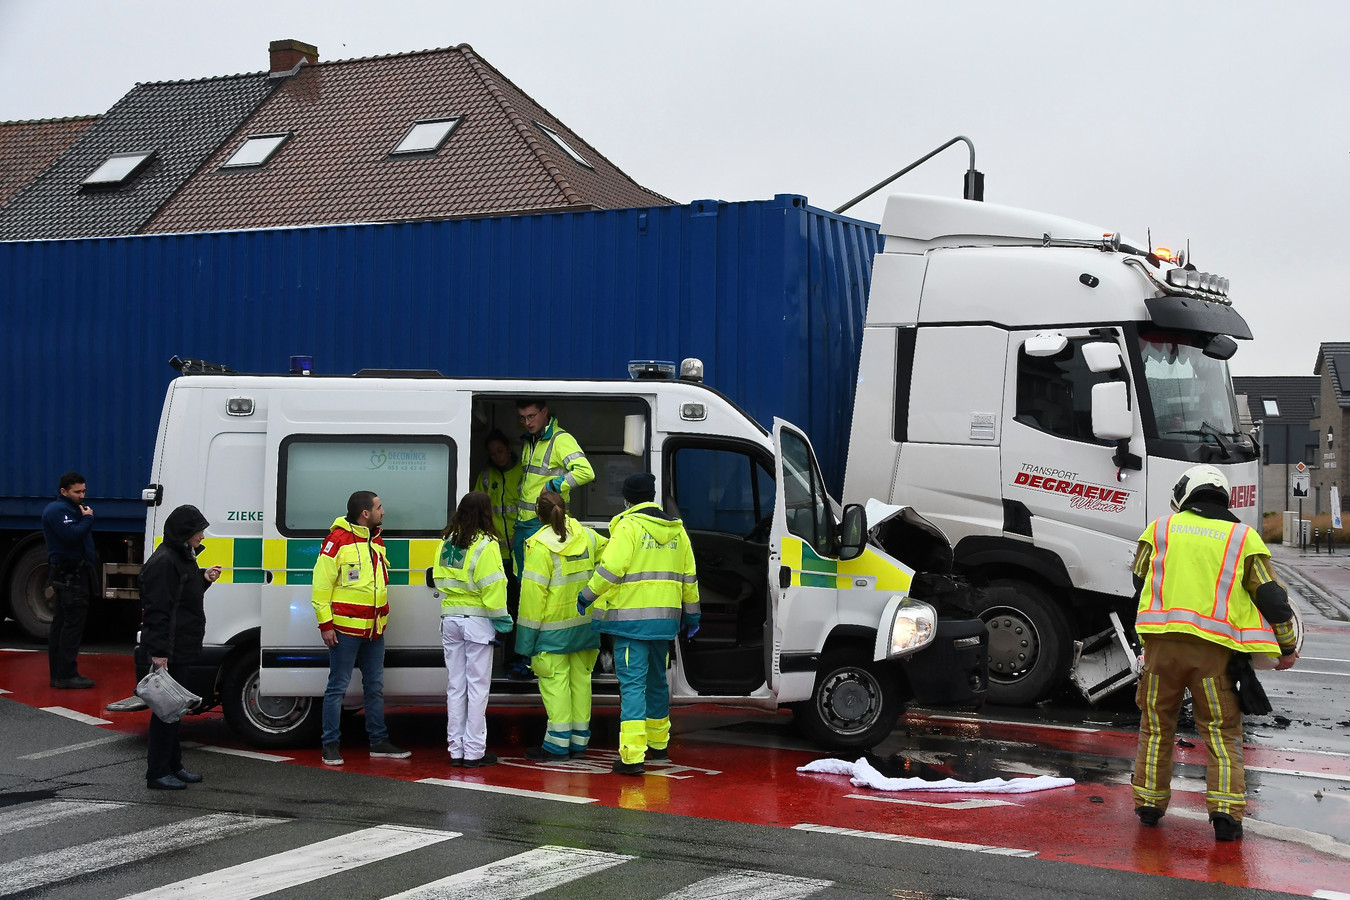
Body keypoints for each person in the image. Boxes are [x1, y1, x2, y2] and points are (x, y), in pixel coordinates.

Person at [1130, 464, 1299, 842]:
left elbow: (1139, 580)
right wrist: (1286, 645)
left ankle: (1149, 807)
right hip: (1214, 655)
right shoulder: (1243, 538)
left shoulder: (1160, 529)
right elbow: (1271, 596)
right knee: (1222, 734)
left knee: (1156, 727)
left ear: (1186, 493)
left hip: (1161, 650)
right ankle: (1225, 817)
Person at [578, 472, 699, 775]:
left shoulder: (628, 527)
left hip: (631, 625)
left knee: (632, 687)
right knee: (657, 682)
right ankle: (658, 745)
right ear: (653, 494)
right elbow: (689, 578)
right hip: (664, 625)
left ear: (627, 499)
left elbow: (611, 568)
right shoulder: (677, 532)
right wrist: (692, 615)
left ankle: (632, 756)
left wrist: (586, 595)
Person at [311, 491, 410, 766]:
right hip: (345, 630)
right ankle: (330, 745)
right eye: (379, 507)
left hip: (374, 629)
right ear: (365, 513)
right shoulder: (337, 541)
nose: (383, 511)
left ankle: (378, 742)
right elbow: (321, 587)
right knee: (337, 688)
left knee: (375, 687)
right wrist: (326, 625)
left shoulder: (375, 540)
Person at [517, 490, 606, 761]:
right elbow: (611, 564)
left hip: (552, 632)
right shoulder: (588, 536)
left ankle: (556, 745)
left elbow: (532, 598)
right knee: (581, 684)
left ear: (538, 514)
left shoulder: (539, 546)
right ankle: (579, 743)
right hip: (586, 627)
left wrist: (524, 642)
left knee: (556, 687)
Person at [139, 505, 221, 789]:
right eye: (198, 530)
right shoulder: (165, 562)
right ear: (184, 532)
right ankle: (158, 772)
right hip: (171, 650)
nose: (201, 535)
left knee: (174, 712)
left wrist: (204, 578)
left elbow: (183, 592)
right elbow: (158, 611)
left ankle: (173, 766)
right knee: (166, 712)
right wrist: (159, 652)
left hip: (181, 646)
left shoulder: (180, 557)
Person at [435, 491, 512, 767]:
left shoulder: (446, 542)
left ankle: (455, 750)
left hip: (450, 618)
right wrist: (502, 618)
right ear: (486, 513)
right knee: (477, 688)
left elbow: (438, 578)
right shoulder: (487, 544)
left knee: (455, 687)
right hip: (477, 621)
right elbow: (493, 586)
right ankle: (474, 752)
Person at [474, 429, 530, 680]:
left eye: (500, 450)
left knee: (520, 608)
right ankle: (500, 659)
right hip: (495, 554)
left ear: (509, 448)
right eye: (492, 453)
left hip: (520, 554)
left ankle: (519, 658)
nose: (497, 456)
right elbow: (477, 508)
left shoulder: (525, 474)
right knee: (500, 608)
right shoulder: (486, 477)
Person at [514, 398, 594, 574]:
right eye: (522, 418)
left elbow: (586, 472)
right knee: (524, 582)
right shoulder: (530, 441)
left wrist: (552, 486)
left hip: (544, 524)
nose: (527, 422)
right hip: (525, 525)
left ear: (544, 412)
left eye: (531, 416)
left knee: (536, 582)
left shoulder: (560, 439)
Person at [42, 471, 98, 689]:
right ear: (63, 491)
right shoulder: (58, 510)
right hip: (70, 575)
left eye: (83, 491)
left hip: (70, 573)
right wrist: (88, 519)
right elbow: (72, 535)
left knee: (63, 622)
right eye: (77, 492)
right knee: (71, 624)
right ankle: (65, 674)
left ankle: (59, 673)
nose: (82, 496)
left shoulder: (69, 508)